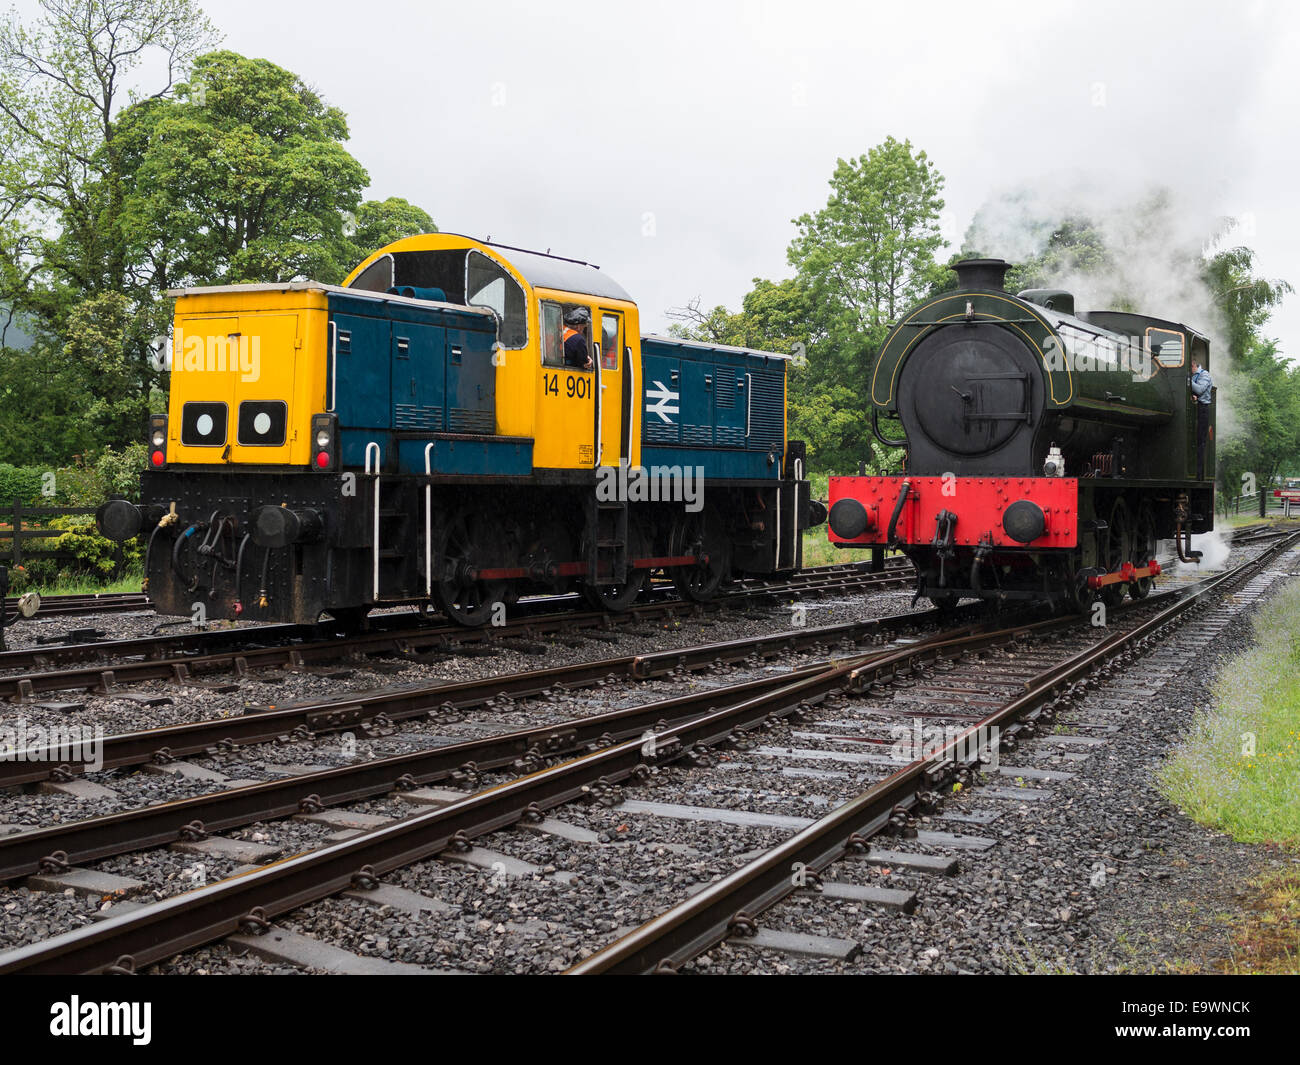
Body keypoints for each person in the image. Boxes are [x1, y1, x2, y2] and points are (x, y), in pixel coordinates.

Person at [1190, 359, 1213, 479]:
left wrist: (1188, 381)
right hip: (1194, 408)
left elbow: (1199, 389)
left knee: (1200, 441)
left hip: (1202, 409)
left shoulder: (1204, 374)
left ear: (1193, 366)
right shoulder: (1193, 375)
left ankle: (1200, 474)